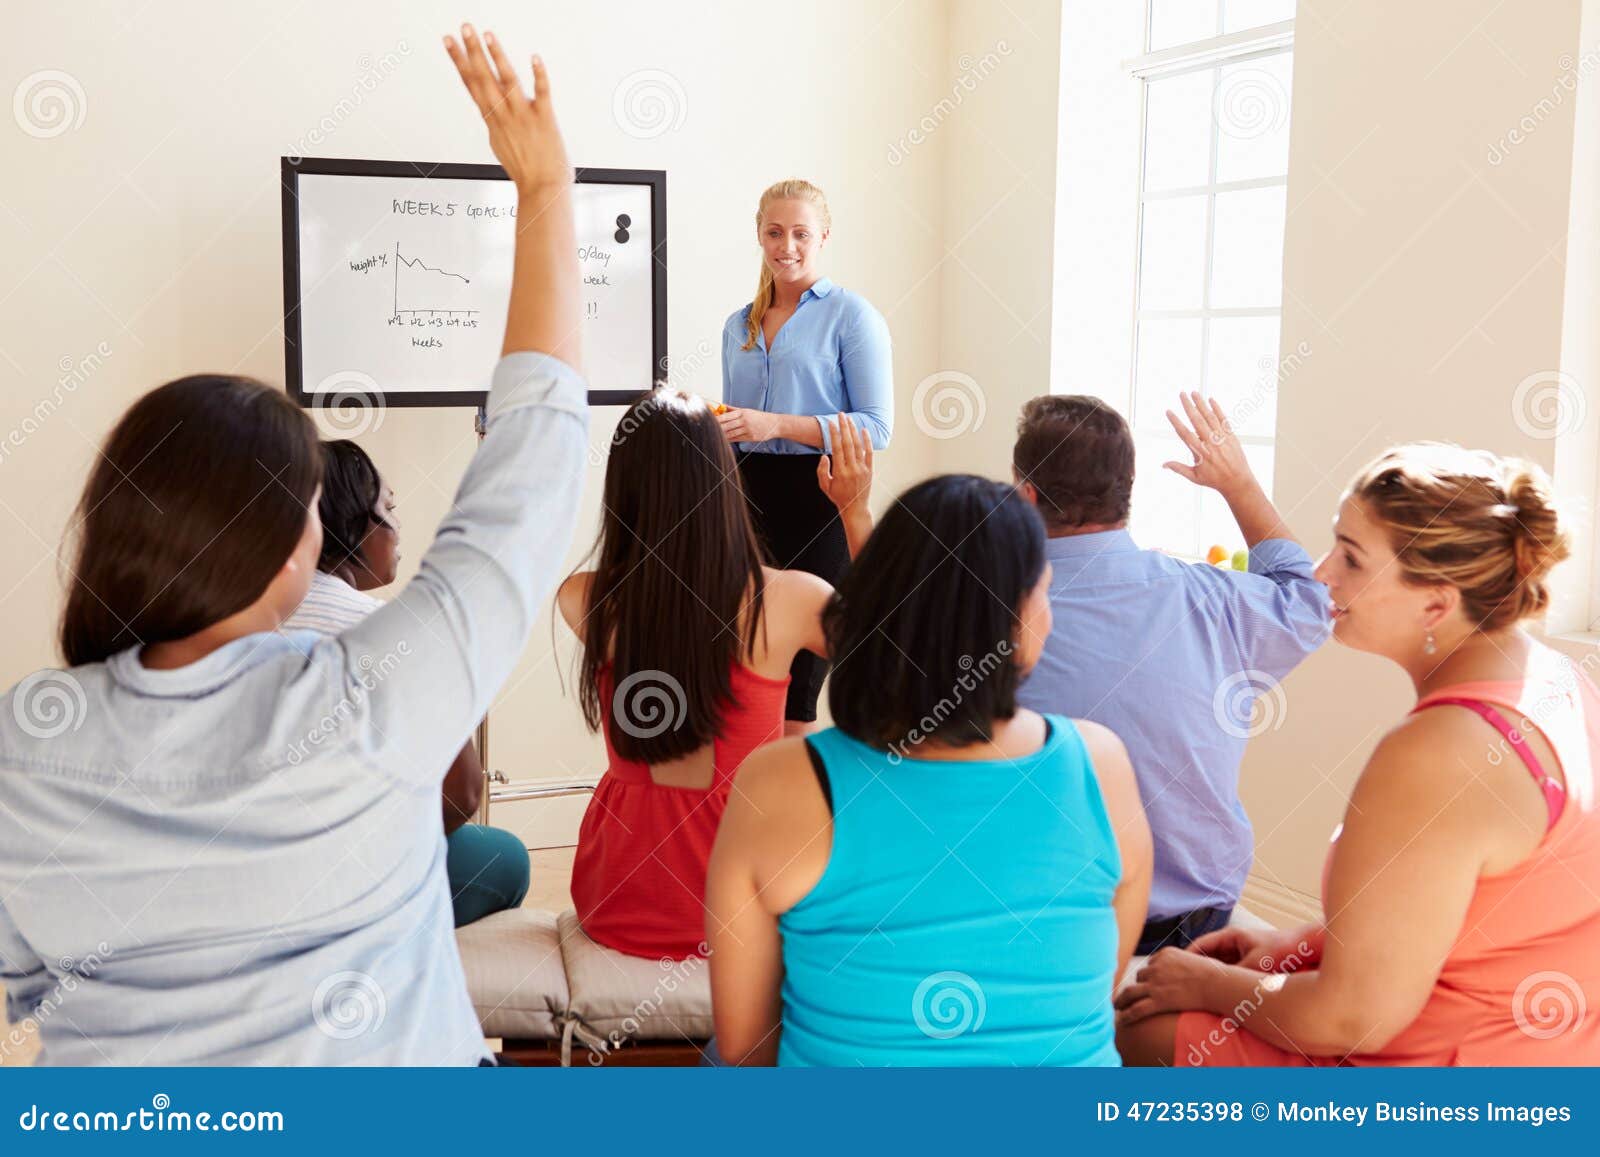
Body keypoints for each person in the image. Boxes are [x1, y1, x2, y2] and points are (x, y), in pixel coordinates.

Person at [0, 26, 584, 1064]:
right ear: (285, 550)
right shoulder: (370, 700)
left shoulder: (25, 746)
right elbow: (529, 476)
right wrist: (544, 194)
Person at [1116, 444, 1600, 1066]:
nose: (1321, 573)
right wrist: (1299, 943)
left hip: (1454, 1077)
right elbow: (1467, 910)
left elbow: (1349, 1022)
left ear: (1435, 604)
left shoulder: (1441, 751)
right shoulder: (1562, 680)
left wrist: (1211, 984)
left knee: (1139, 1026)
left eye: (1350, 557)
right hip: (1556, 1055)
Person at [706, 475, 1153, 1066]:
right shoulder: (1102, 765)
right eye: (1044, 592)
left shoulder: (778, 780)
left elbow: (745, 1049)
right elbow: (1090, 990)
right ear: (1014, 624)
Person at [1011, 391, 1328, 954]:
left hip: (1048, 924)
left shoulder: (990, 613)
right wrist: (1240, 485)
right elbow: (1309, 603)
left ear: (1025, 495)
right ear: (1127, 489)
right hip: (1196, 920)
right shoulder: (1213, 599)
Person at [561, 402, 873, 960]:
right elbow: (895, 657)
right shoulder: (792, 598)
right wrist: (854, 513)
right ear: (725, 481)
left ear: (622, 491)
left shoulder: (584, 598)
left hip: (613, 900)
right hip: (743, 904)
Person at [281, 438, 530, 929]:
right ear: (352, 523)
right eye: (389, 508)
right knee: (503, 857)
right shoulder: (394, 630)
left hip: (252, 866)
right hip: (341, 877)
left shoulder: (241, 620)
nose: (398, 527)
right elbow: (461, 793)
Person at [719, 178, 893, 735]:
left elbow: (875, 425)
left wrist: (776, 424)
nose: (785, 246)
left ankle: (795, 817)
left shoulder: (852, 316)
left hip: (820, 501)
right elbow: (737, 423)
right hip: (744, 503)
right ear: (759, 235)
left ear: (823, 236)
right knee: (741, 674)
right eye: (774, 232)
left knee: (797, 690)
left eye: (799, 233)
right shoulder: (737, 324)